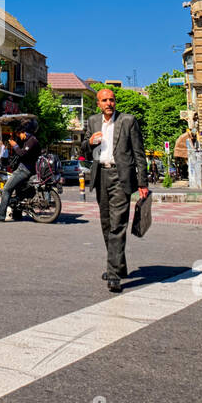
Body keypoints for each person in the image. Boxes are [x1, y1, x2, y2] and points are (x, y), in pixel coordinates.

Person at [79, 87, 149, 293]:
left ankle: (114, 274)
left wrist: (143, 183)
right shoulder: (93, 122)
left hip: (121, 176)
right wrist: (90, 142)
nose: (109, 103)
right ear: (98, 104)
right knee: (106, 223)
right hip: (100, 175)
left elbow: (139, 153)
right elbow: (83, 148)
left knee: (118, 224)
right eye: (104, 100)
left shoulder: (128, 121)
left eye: (112, 100)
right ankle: (119, 265)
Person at [0, 121, 41, 222]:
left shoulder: (31, 141)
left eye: (19, 134)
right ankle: (17, 214)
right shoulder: (29, 140)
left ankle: (0, 216)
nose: (19, 136)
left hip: (24, 170)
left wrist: (15, 145)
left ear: (24, 132)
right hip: (26, 169)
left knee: (6, 189)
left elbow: (22, 154)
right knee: (18, 191)